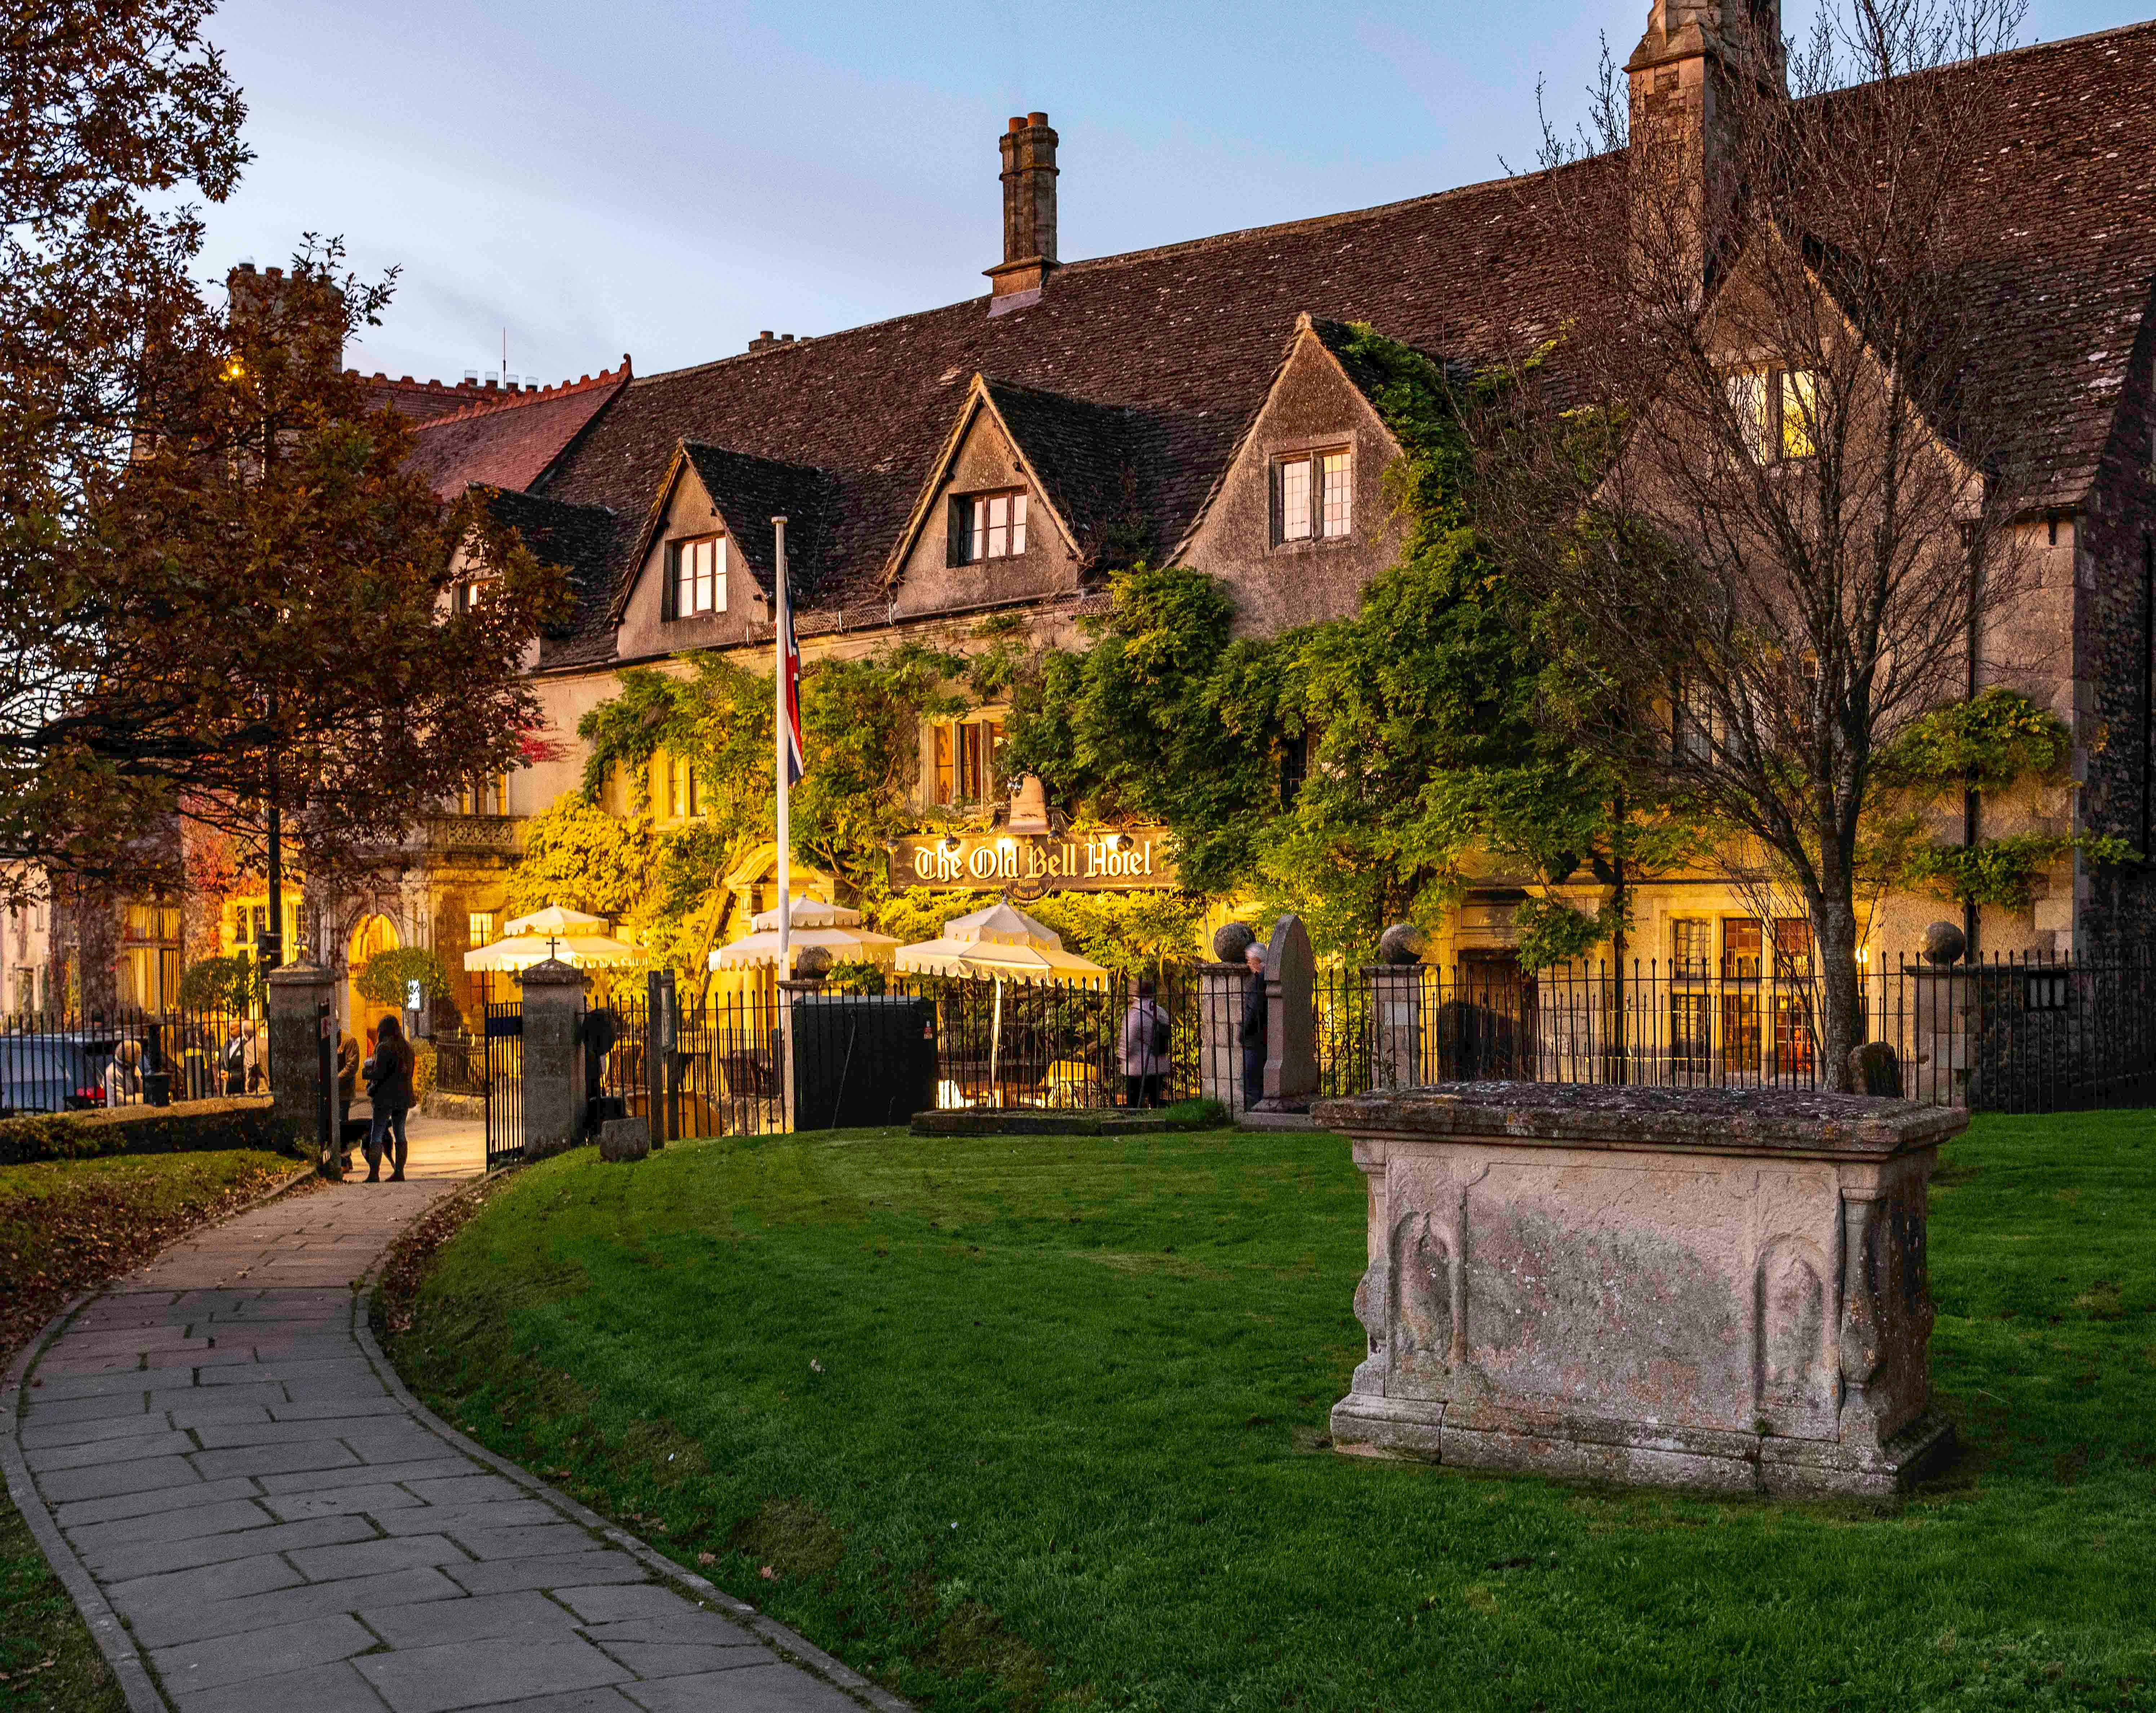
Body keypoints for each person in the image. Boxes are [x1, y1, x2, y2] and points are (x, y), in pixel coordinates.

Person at [363, 1015, 416, 1182]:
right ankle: (399, 1172)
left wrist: (367, 1074)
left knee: (377, 1133)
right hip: (404, 1097)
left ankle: (374, 1173)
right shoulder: (407, 1048)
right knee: (400, 1133)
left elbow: (379, 1074)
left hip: (385, 1098)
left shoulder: (384, 1048)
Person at [1120, 977, 1171, 1108]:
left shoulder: (1134, 1014)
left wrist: (1122, 1057)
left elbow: (1128, 1041)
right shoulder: (1160, 1011)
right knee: (1156, 1103)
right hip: (1160, 1065)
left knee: (1135, 1105)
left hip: (1137, 1068)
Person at [1239, 939, 1269, 1112]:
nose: (1249, 964)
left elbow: (1253, 1009)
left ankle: (1256, 1115)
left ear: (1258, 961)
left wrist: (1243, 1032)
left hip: (1254, 1039)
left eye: (1250, 960)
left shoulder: (1259, 980)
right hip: (1261, 1038)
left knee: (1252, 1084)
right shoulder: (1266, 979)